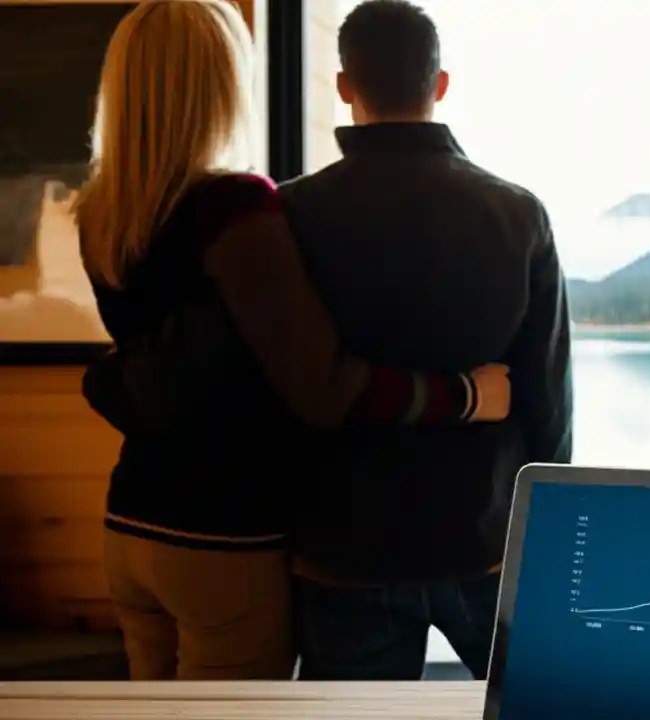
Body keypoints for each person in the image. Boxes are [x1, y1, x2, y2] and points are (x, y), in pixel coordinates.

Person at [75, 0, 510, 681]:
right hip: (221, 533)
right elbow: (324, 386)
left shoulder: (101, 212)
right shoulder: (236, 208)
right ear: (221, 83)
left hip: (130, 522)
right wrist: (463, 394)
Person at [280, 0, 573, 680]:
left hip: (344, 543)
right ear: (439, 85)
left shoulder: (291, 214)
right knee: (535, 702)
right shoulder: (517, 211)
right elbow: (546, 394)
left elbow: (287, 383)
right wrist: (551, 531)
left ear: (345, 86)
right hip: (485, 534)